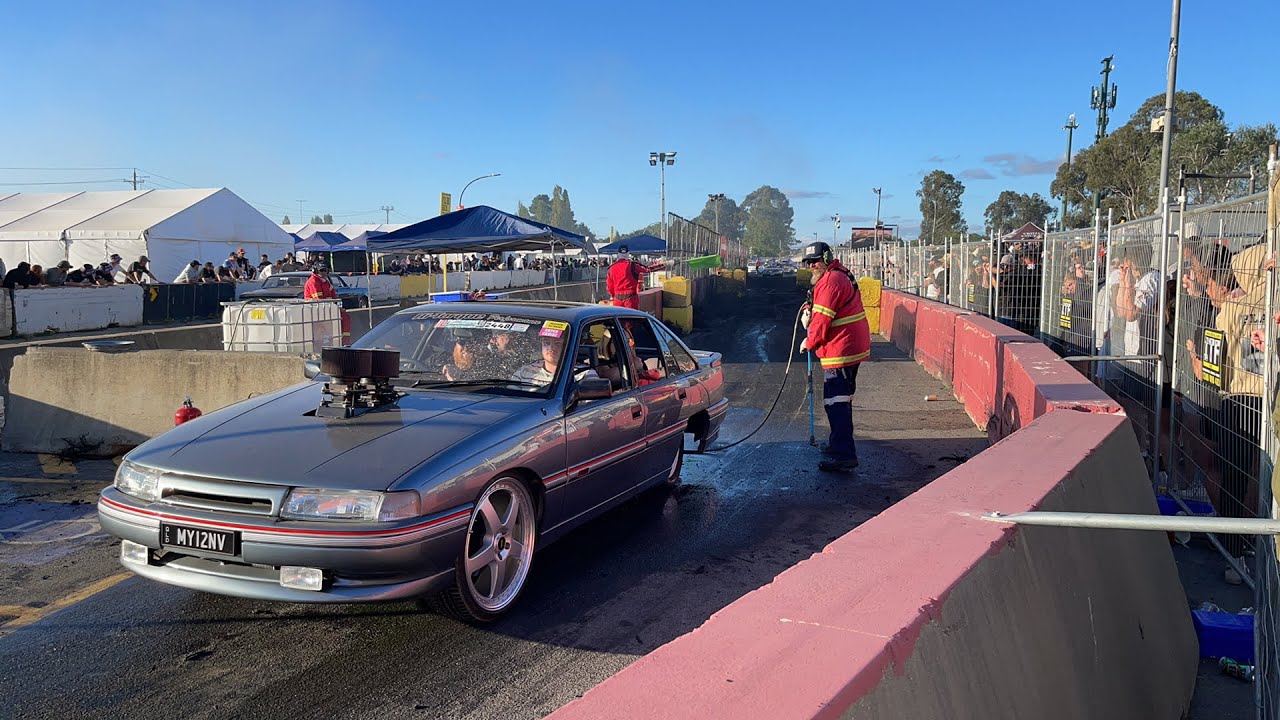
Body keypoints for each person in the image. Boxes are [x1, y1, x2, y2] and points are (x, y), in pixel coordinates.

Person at [797, 241, 871, 473]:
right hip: (849, 346)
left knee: (836, 402)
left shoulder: (830, 281)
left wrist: (809, 341)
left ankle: (844, 454)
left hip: (841, 349)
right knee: (841, 400)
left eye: (815, 261)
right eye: (809, 262)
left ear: (827, 259)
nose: (812, 266)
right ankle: (837, 444)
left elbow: (822, 321)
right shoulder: (838, 275)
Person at [304, 263, 351, 345]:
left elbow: (333, 295)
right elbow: (318, 299)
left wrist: (336, 307)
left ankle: (344, 342)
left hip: (328, 308)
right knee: (325, 327)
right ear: (315, 271)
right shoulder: (313, 281)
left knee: (345, 318)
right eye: (321, 270)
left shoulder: (325, 281)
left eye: (325, 270)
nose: (323, 272)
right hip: (316, 309)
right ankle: (329, 343)